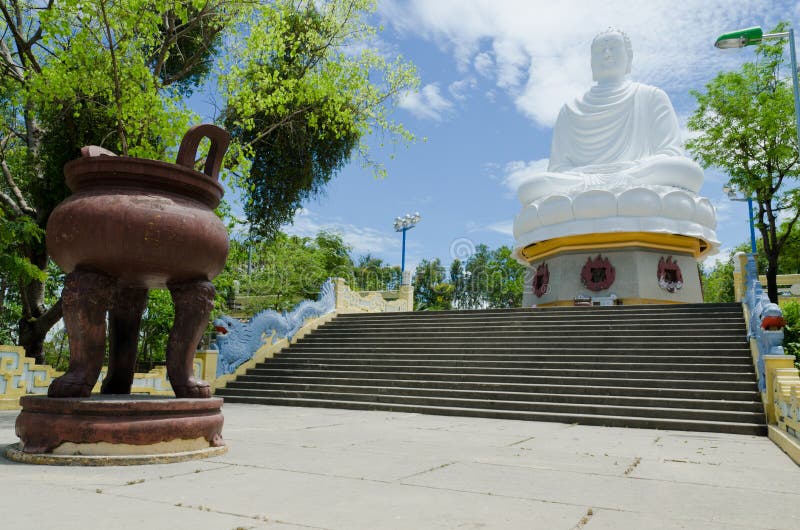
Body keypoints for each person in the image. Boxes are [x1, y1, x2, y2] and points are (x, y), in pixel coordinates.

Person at [517, 28, 704, 205]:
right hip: (584, 179)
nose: (607, 54)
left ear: (628, 57)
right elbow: (558, 167)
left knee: (683, 170)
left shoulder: (650, 96)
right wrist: (595, 177)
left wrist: (626, 172)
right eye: (599, 50)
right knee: (531, 187)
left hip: (634, 174)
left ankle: (606, 191)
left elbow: (670, 153)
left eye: (613, 48)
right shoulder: (570, 108)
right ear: (591, 60)